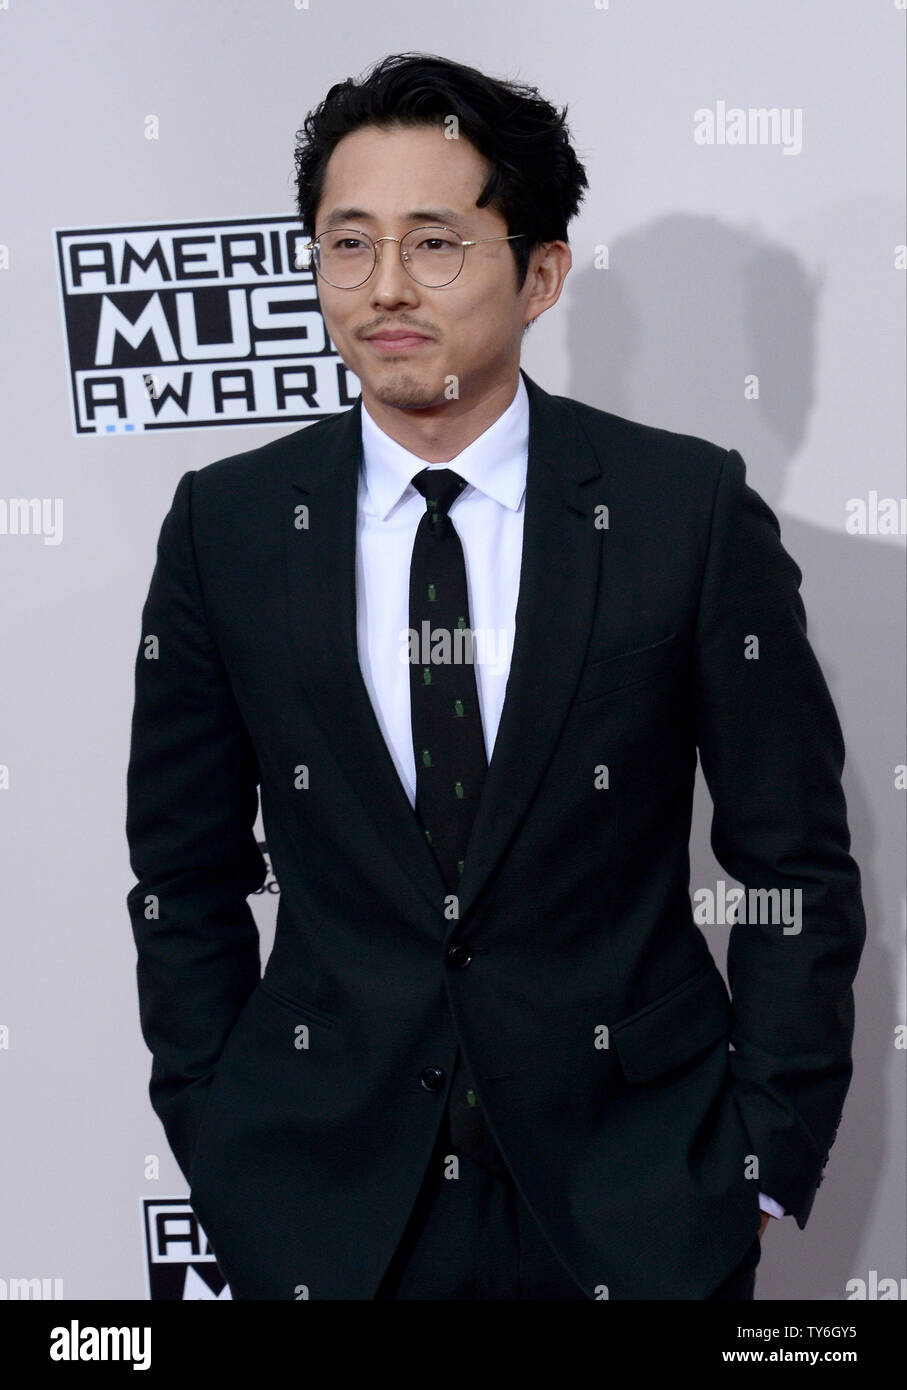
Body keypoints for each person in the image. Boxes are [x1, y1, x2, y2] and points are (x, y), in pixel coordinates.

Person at [126, 52, 866, 1300]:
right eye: (347, 245)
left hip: (638, 1196)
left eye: (434, 243)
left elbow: (790, 859)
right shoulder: (229, 525)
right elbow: (183, 871)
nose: (384, 290)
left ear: (540, 274)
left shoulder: (680, 510)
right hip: (326, 1204)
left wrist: (759, 1152)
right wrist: (222, 1135)